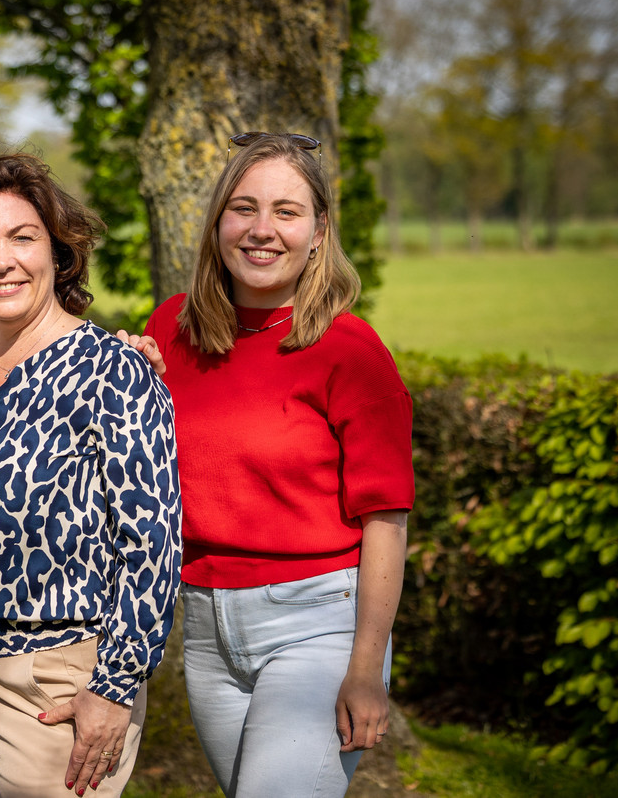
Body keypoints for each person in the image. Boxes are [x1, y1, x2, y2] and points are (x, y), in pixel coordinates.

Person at [142, 131, 413, 798]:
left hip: (318, 626)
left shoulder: (350, 351)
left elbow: (386, 520)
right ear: (217, 223)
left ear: (318, 232)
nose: (262, 229)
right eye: (244, 208)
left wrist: (365, 668)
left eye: (286, 212)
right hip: (204, 625)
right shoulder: (171, 329)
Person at [0, 153, 182, 798]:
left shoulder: (112, 371)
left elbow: (152, 543)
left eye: (22, 238)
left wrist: (116, 686)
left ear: (58, 254)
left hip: (53, 682)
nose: (0, 261)